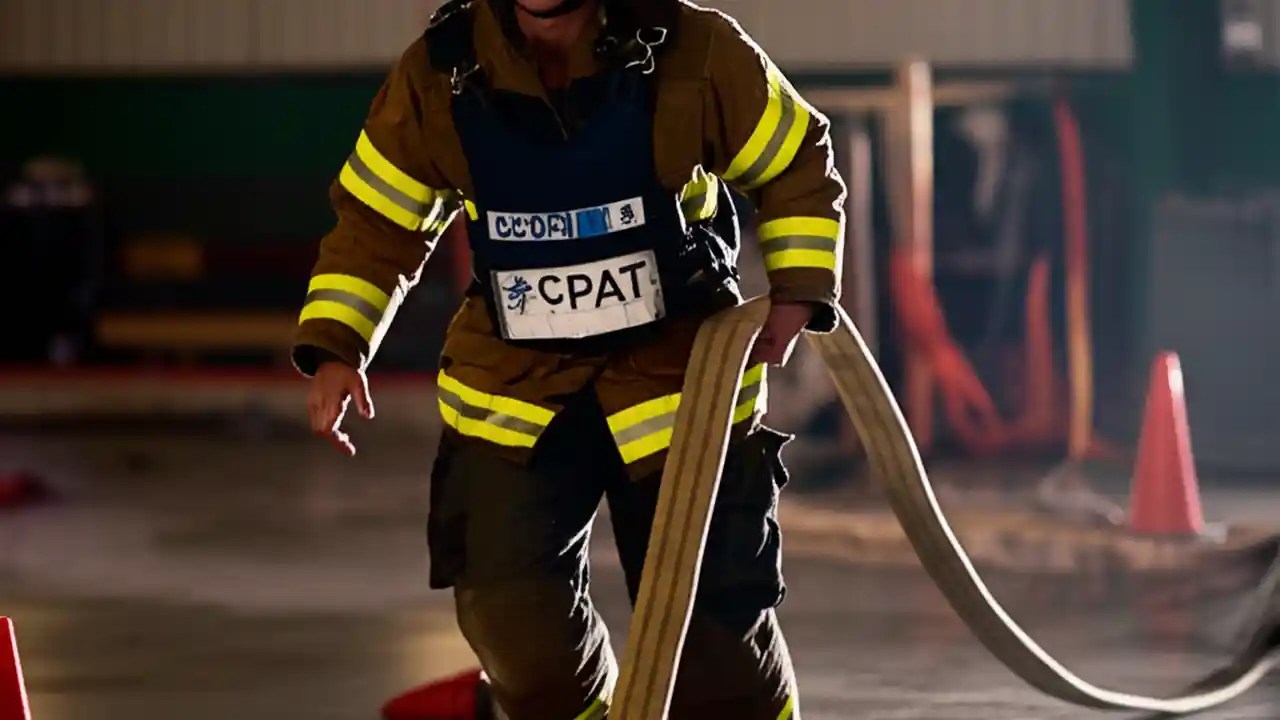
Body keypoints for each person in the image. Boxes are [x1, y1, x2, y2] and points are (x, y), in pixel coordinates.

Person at [293, 0, 846, 717]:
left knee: (715, 642)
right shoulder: (441, 73)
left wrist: (798, 292)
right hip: (514, 389)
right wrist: (338, 343)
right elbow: (377, 218)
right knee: (511, 620)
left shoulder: (691, 50)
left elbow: (796, 158)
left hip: (679, 381)